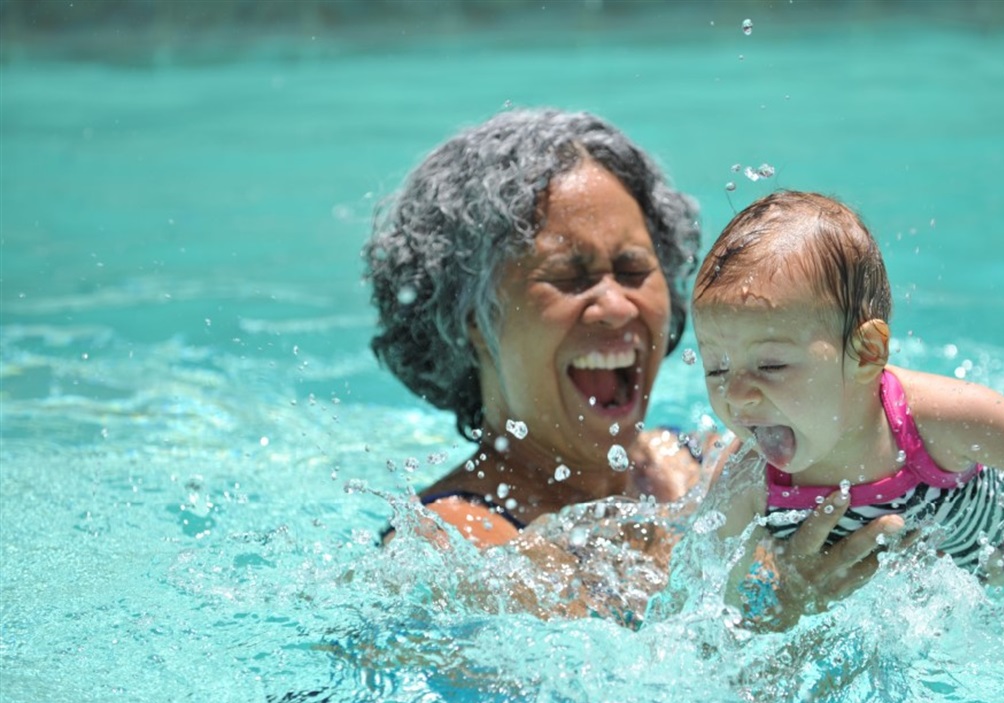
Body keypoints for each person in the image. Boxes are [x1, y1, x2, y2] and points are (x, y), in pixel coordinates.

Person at [361, 109, 903, 620]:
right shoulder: (453, 548)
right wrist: (767, 614)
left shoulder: (713, 467)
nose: (617, 305)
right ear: (473, 321)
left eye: (633, 268)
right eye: (569, 277)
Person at [691, 190, 1004, 657]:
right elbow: (707, 614)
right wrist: (783, 601)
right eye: (717, 369)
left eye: (771, 365)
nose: (736, 394)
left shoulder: (933, 420)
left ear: (867, 353)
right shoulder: (747, 480)